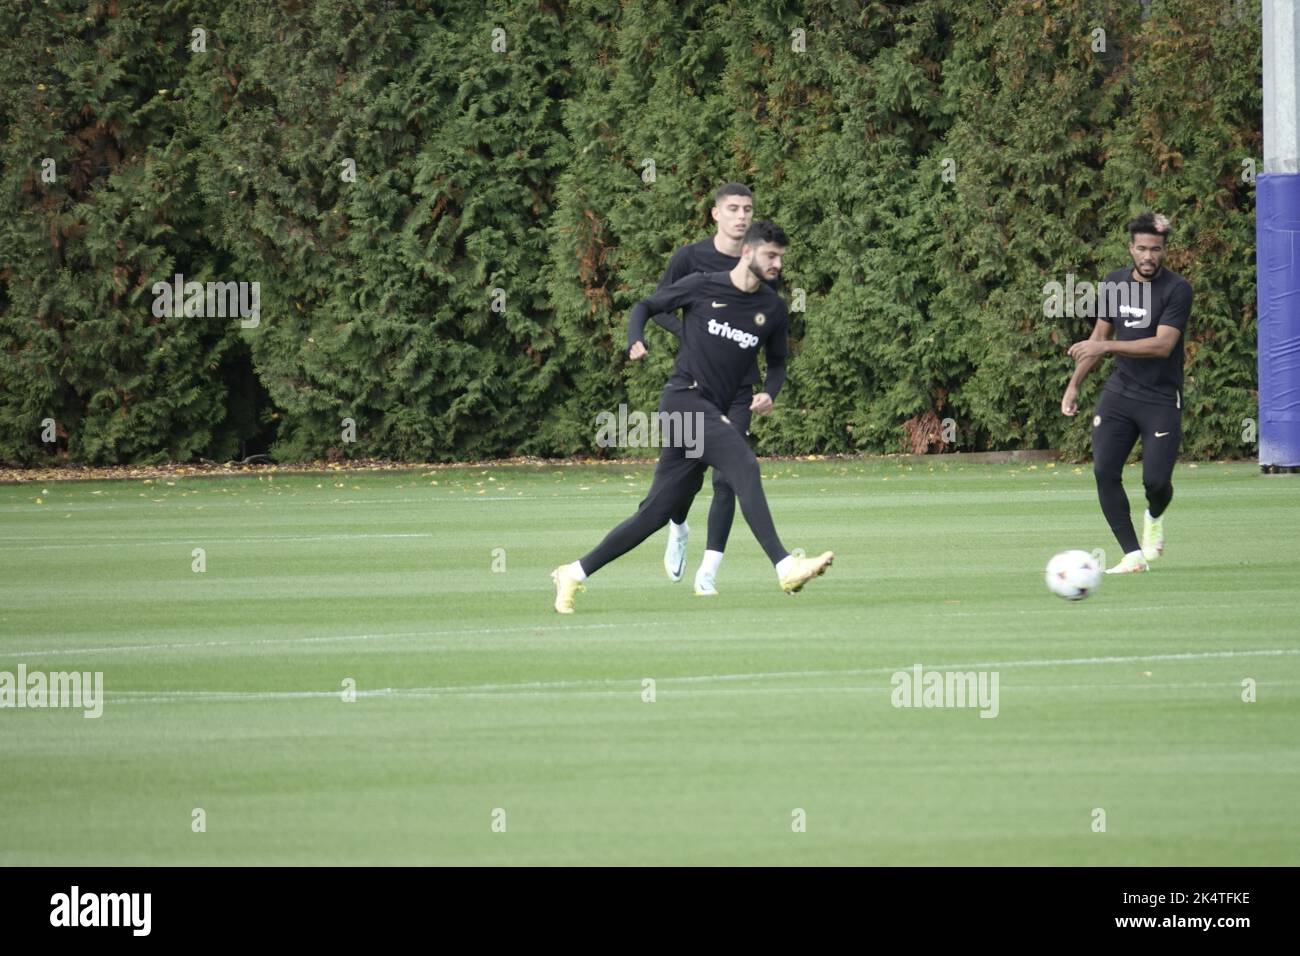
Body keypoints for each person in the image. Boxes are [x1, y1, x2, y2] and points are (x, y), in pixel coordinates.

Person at [552, 221, 833, 612]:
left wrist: (770, 391)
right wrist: (637, 336)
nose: (777, 264)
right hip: (683, 401)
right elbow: (647, 305)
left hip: (709, 412)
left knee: (654, 514)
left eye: (781, 257)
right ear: (748, 253)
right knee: (744, 465)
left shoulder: (771, 307)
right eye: (771, 255)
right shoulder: (703, 284)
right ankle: (786, 565)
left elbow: (780, 363)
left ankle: (574, 573)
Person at [627, 182, 778, 595]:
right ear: (716, 214)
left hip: (739, 388)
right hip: (695, 387)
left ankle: (708, 572)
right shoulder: (691, 258)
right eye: (733, 209)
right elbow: (656, 304)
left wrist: (769, 386)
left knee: (729, 477)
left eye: (747, 209)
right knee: (680, 484)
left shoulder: (761, 261)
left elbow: (764, 323)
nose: (742, 216)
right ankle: (677, 526)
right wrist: (696, 334)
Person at [1062, 212, 1193, 573]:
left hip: (1161, 398)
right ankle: (1133, 554)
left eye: (1155, 249)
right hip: (1119, 394)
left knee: (1156, 481)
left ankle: (1154, 515)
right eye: (1141, 248)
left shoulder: (1177, 289)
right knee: (1104, 471)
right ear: (1130, 248)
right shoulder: (1114, 283)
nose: (1148, 256)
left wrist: (1105, 349)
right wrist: (1074, 385)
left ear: (1164, 250)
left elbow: (1162, 345)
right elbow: (1098, 340)